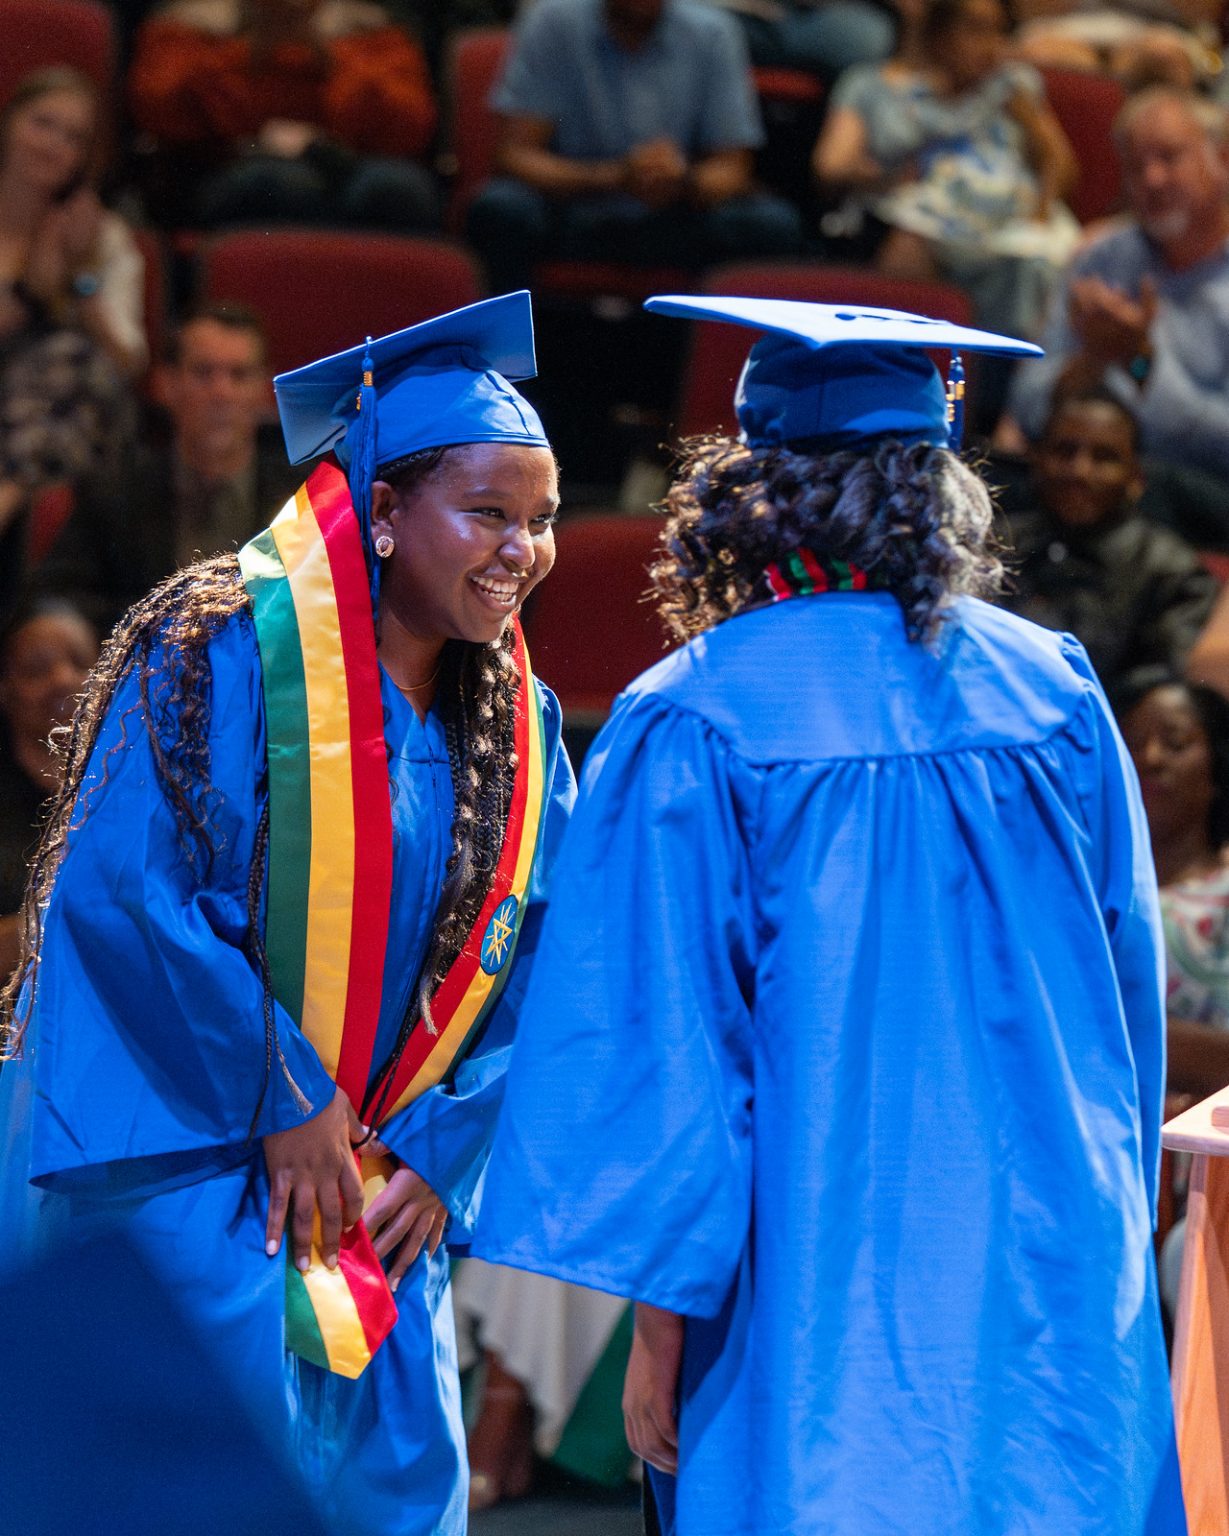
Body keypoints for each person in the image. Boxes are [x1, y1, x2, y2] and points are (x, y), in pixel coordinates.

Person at [473, 295, 1186, 1535]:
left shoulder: (692, 715)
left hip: (814, 1280)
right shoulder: (1052, 687)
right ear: (936, 487)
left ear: (750, 494)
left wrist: (658, 1338)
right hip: (1047, 1258)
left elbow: (673, 1073)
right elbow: (1126, 1001)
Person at [0, 291, 575, 1535]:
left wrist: (445, 1144)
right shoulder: (213, 654)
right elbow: (126, 898)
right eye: (486, 513)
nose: (521, 549)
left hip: (371, 1206)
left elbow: (546, 959)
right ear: (378, 513)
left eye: (541, 519)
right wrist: (285, 1093)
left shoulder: (515, 731)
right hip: (189, 1174)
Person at [465, 0, 805, 294]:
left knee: (771, 226)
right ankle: (507, 362)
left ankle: (712, 364)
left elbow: (732, 168)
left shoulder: (713, 32)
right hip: (574, 210)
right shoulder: (553, 21)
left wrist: (681, 180)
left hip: (673, 217)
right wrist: (614, 177)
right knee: (500, 210)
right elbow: (515, 156)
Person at [812, 0, 1079, 340]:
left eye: (999, 32)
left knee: (1040, 260)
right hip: (931, 217)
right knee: (904, 248)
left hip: (1006, 217)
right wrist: (885, 175)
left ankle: (1005, 376)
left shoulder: (1013, 90)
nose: (991, 46)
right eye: (975, 31)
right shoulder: (892, 91)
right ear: (939, 37)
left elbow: (1060, 162)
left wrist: (1041, 209)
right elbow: (833, 167)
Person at [1003, 86, 1229, 485]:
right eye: (1135, 166)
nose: (1152, 179)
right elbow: (1026, 404)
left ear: (1222, 160)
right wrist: (1091, 362)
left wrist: (1141, 364)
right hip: (1081, 486)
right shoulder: (1101, 259)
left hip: (1195, 498)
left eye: (1169, 157)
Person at [32, 304, 300, 635]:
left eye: (239, 375)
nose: (222, 393)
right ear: (165, 385)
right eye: (203, 373)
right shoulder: (114, 490)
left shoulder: (302, 499)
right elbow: (57, 594)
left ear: (264, 391)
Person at [0, 67, 144, 610]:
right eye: (44, 123)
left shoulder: (101, 237)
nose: (56, 144)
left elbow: (126, 363)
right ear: (10, 122)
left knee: (76, 361)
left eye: (74, 137)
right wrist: (33, 292)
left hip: (54, 430)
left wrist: (80, 280)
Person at [128, 0, 439, 231]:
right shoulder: (192, 24)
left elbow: (412, 129)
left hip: (347, 165)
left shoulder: (370, 29)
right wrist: (248, 52)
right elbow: (157, 112)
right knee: (274, 182)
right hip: (228, 165)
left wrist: (331, 57)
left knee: (399, 189)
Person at [997, 389, 1218, 696]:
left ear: (1135, 477)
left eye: (1103, 457)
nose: (1080, 471)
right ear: (1036, 459)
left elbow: (1161, 686)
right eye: (1065, 451)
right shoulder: (993, 546)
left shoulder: (1173, 571)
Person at [0, 598, 98, 980]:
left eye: (80, 662)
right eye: (36, 670)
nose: (62, 679)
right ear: (6, 691)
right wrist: (42, 928)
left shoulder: (133, 786)